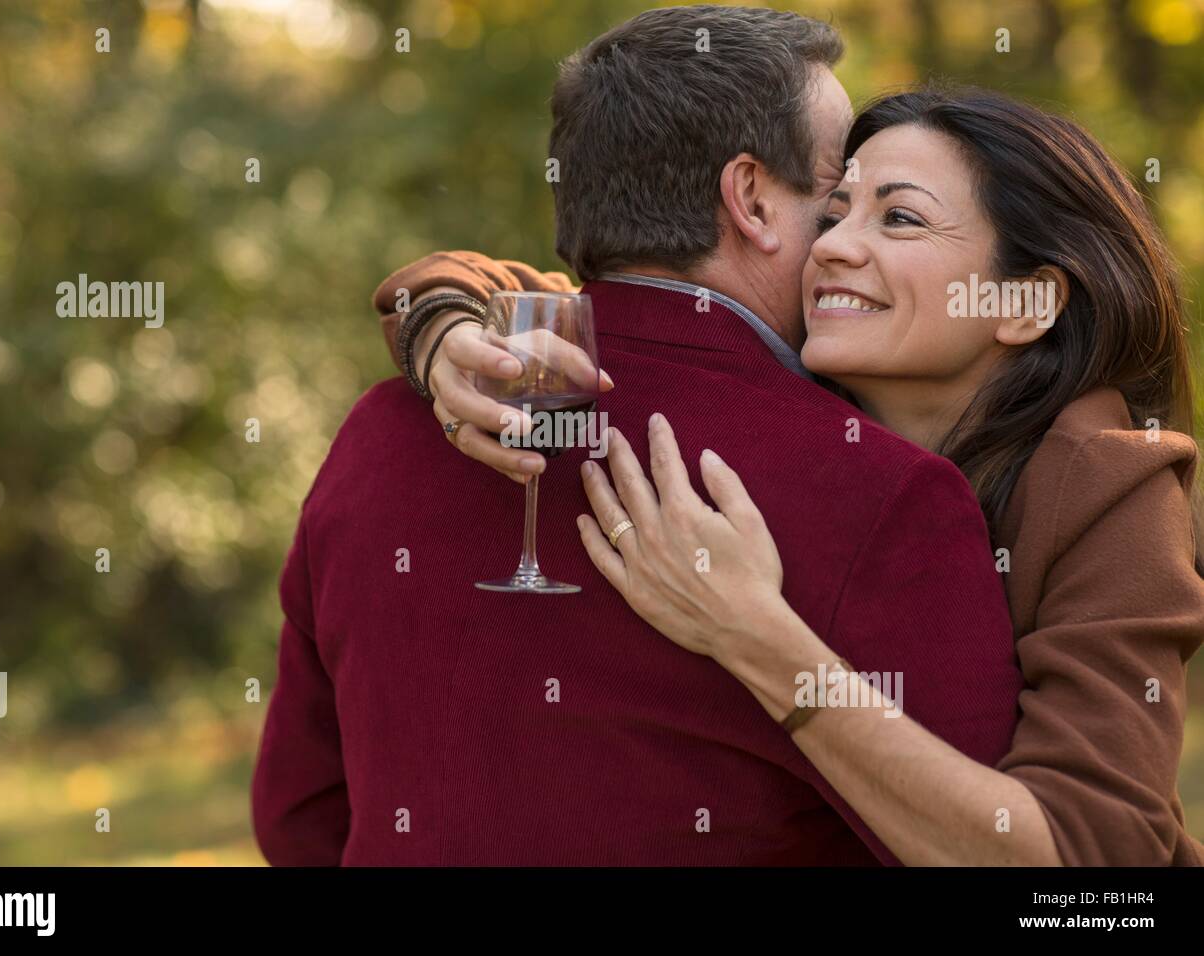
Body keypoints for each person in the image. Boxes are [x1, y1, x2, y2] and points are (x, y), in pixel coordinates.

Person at [251, 7, 1022, 865]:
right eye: (834, 195)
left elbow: (301, 818)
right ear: (753, 200)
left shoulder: (379, 438)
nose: (843, 237)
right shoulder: (884, 494)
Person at [380, 89, 1204, 864]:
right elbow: (586, 300)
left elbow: (1096, 870)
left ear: (1026, 305)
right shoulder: (815, 396)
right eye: (836, 210)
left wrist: (757, 638)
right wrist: (442, 329)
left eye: (901, 218)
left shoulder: (1111, 488)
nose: (836, 245)